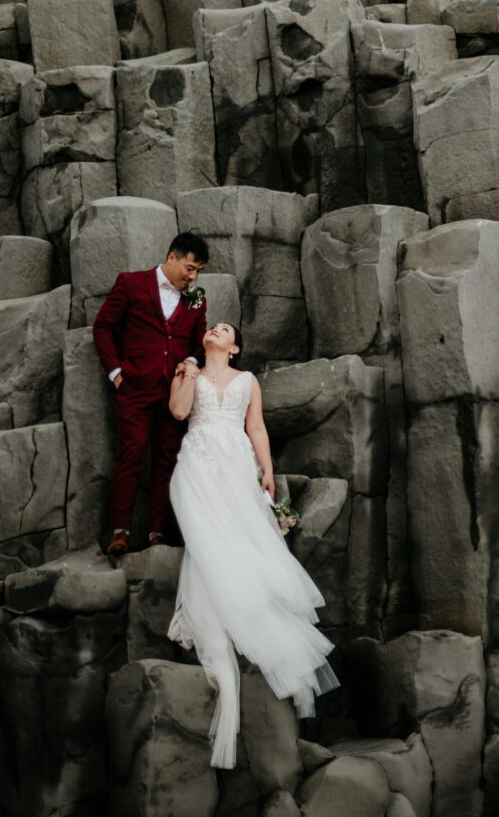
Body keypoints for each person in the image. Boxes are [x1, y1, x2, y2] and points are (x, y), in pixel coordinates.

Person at [167, 321, 338, 769]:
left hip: (236, 459)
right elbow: (179, 413)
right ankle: (220, 616)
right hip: (198, 462)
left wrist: (266, 469)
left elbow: (257, 426)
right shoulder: (190, 371)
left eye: (224, 329)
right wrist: (184, 374)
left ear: (235, 345)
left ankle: (239, 606)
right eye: (211, 327)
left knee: (239, 538)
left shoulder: (247, 380)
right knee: (206, 530)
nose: (214, 330)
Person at [92, 232, 210, 555]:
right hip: (135, 389)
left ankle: (158, 533)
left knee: (166, 462)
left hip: (173, 395)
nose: (193, 276)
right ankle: (120, 532)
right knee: (129, 456)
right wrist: (116, 374)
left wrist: (189, 361)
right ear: (171, 257)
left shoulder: (197, 298)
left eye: (198, 271)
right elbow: (103, 327)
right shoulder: (131, 283)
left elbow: (200, 340)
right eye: (190, 267)